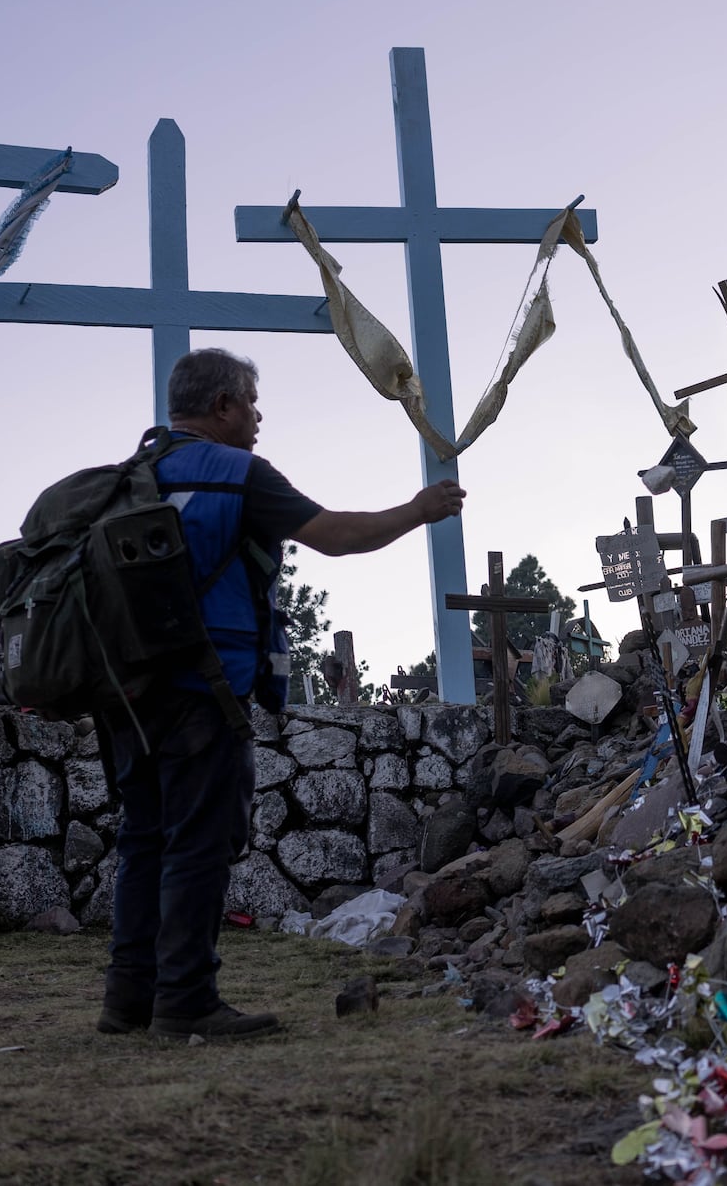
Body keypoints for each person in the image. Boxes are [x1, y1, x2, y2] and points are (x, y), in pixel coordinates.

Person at [98, 347, 464, 1042]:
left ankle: (127, 1000)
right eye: (252, 403)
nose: (259, 417)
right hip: (203, 690)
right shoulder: (238, 475)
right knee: (200, 843)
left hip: (125, 693)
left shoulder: (130, 477)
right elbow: (336, 536)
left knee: (143, 839)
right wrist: (418, 509)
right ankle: (185, 999)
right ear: (223, 406)